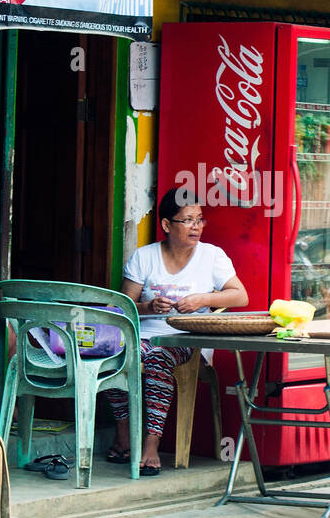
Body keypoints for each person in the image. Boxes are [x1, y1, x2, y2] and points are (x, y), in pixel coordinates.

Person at [106, 188, 248, 476]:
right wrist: (149, 306)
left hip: (186, 340)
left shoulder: (212, 256)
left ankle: (151, 442)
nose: (196, 227)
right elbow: (124, 306)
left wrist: (203, 299)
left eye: (199, 219)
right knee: (112, 354)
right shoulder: (145, 257)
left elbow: (239, 296)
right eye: (187, 220)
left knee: (159, 357)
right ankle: (123, 429)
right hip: (143, 336)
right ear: (167, 225)